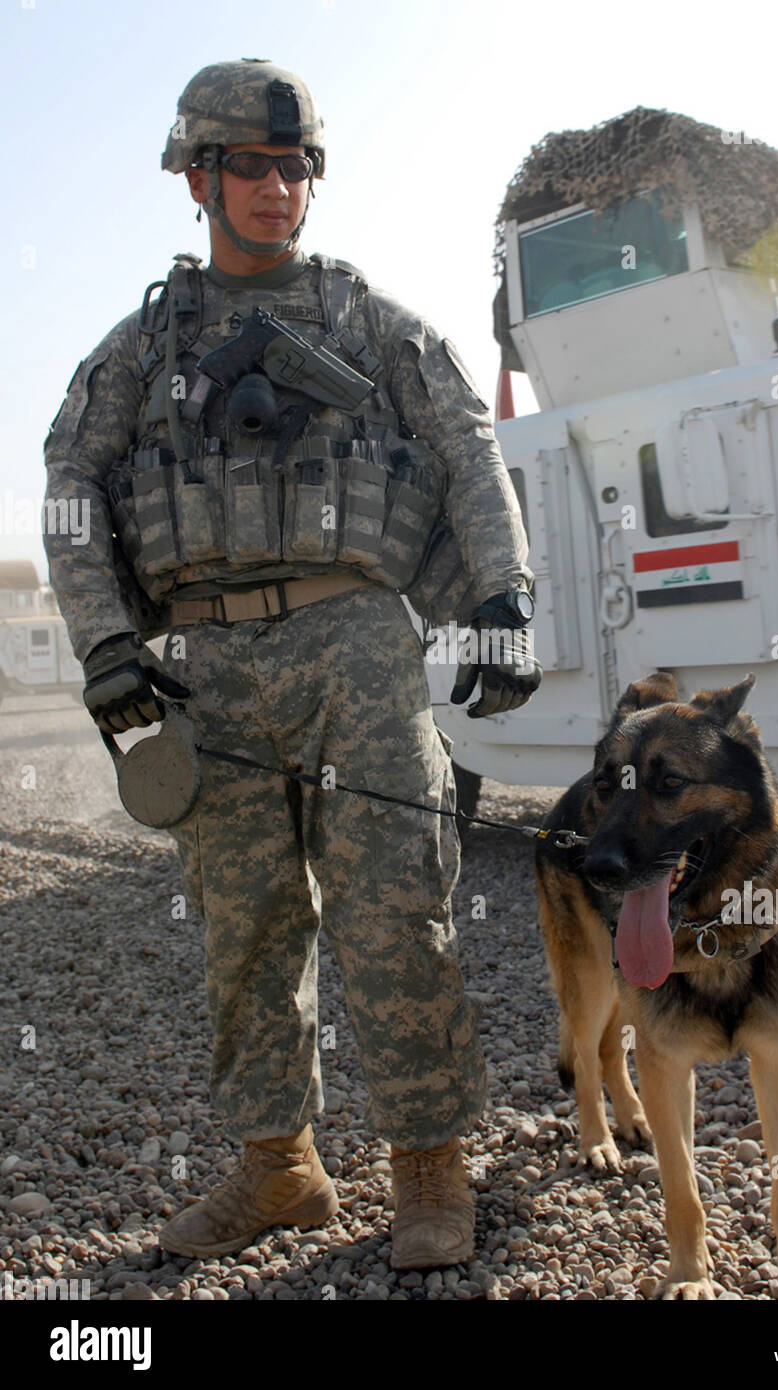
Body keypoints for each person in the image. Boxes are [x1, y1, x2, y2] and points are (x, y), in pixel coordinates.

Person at [43, 58, 539, 1271]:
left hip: (357, 645)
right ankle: (281, 1173)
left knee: (394, 910)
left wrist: (503, 595)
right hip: (207, 668)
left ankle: (428, 1169)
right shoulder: (140, 347)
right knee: (245, 929)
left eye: (295, 167)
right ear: (198, 178)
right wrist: (108, 644)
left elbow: (468, 445)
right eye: (252, 167)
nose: (277, 189)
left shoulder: (368, 321)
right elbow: (69, 491)